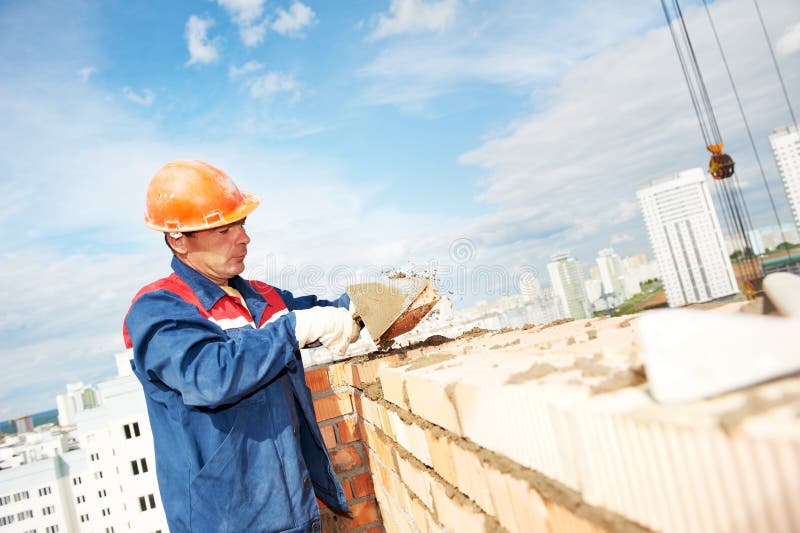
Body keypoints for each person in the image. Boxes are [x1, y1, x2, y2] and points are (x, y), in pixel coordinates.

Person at [123, 159, 360, 533]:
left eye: (242, 224)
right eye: (223, 229)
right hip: (226, 521)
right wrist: (295, 329)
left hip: (295, 512)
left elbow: (325, 313)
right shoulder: (158, 309)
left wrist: (372, 305)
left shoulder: (262, 298)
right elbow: (210, 376)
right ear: (178, 239)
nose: (243, 238)